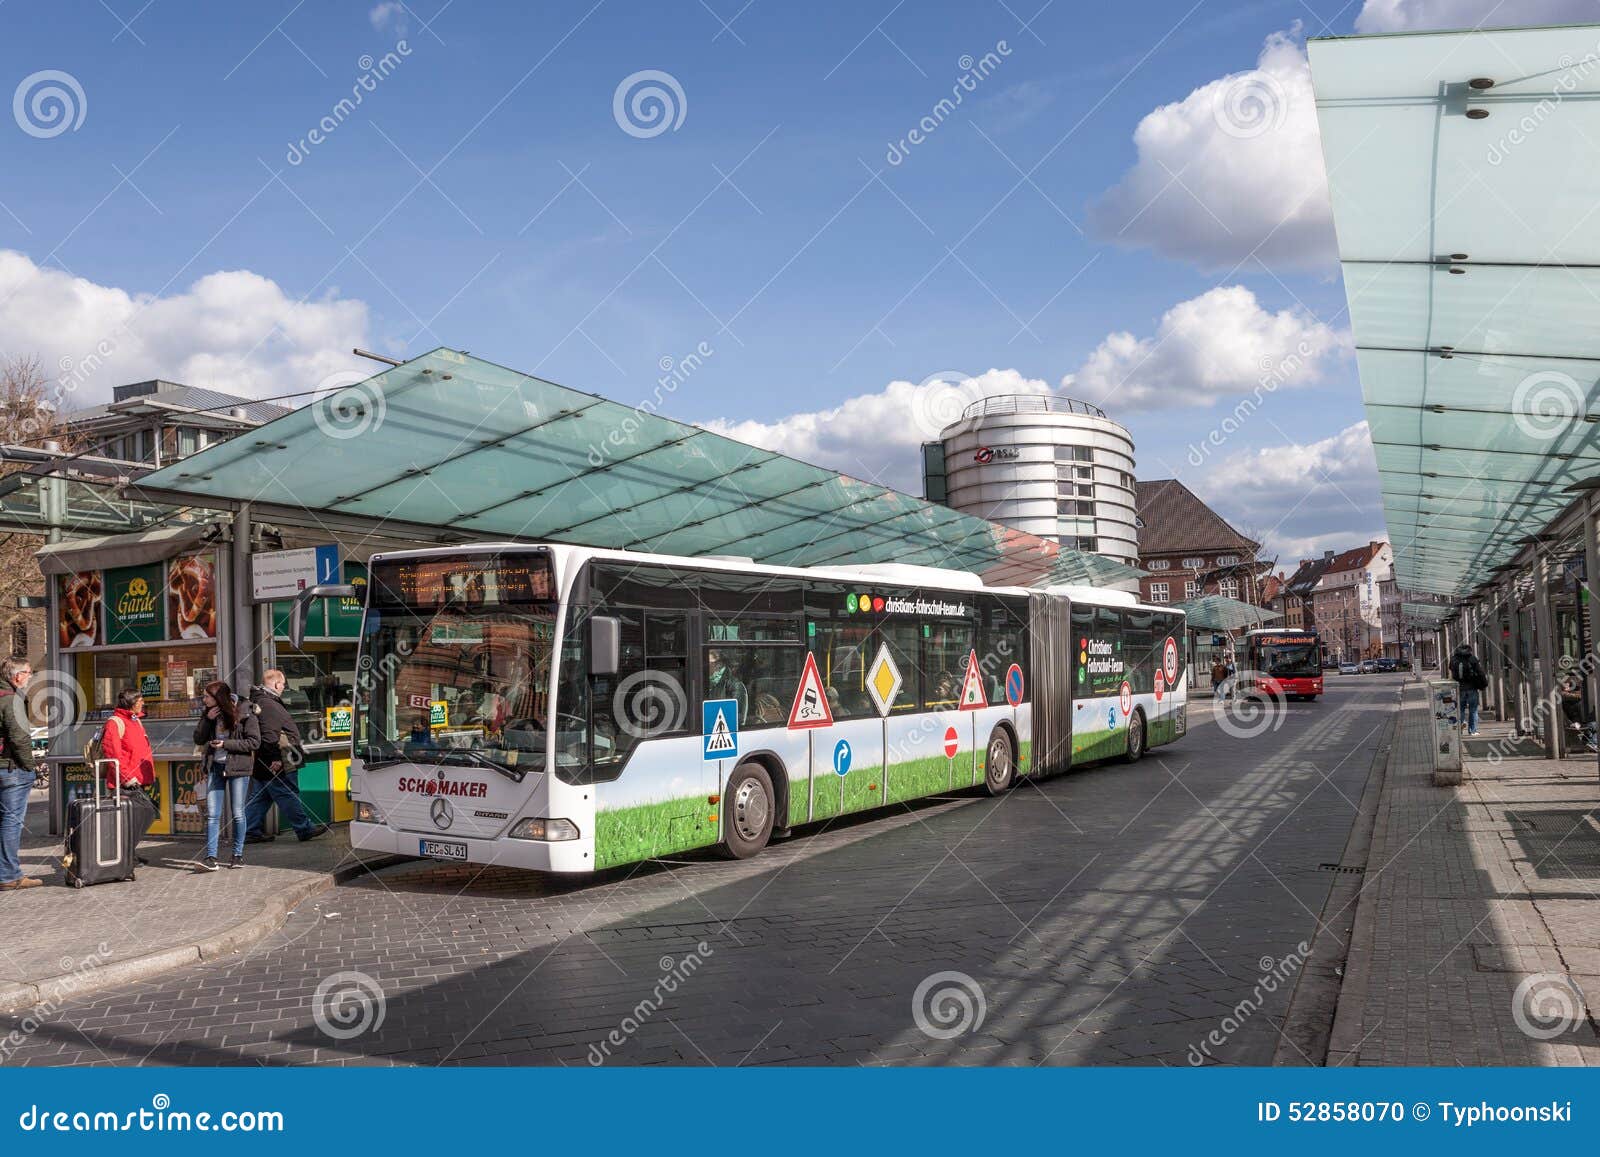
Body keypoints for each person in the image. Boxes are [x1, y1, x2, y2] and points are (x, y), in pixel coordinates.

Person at [244, 669, 329, 845]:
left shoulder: (262, 701)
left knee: (261, 797)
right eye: (283, 684)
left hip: (266, 761)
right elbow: (269, 735)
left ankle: (250, 830)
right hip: (280, 759)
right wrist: (275, 759)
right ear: (276, 684)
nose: (283, 687)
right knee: (287, 794)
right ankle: (304, 829)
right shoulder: (268, 704)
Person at [193, 679, 260, 871]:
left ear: (217, 697)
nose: (203, 700)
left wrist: (225, 745)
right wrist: (207, 719)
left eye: (206, 696)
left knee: (238, 813)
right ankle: (211, 858)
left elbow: (254, 742)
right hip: (215, 767)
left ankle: (237, 855)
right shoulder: (209, 714)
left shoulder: (245, 711)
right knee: (213, 814)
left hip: (238, 767)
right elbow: (198, 738)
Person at [98, 687, 160, 866]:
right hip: (127, 781)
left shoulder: (135, 720)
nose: (143, 703)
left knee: (142, 815)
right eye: (140, 701)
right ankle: (125, 854)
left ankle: (128, 852)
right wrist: (125, 777)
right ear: (131, 703)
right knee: (135, 817)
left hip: (140, 778)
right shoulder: (115, 722)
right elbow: (113, 753)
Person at [0, 659, 39, 890]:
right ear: (17, 677)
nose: (30, 677)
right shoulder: (10, 699)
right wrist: (29, 767)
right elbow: (20, 738)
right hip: (11, 769)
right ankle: (9, 875)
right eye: (28, 673)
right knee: (11, 823)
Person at [1448, 642, 1487, 737]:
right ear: (1469, 650)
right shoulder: (1472, 659)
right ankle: (1472, 731)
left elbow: (1450, 669)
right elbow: (1480, 673)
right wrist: (1484, 684)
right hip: (1472, 688)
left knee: (1460, 709)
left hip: (1459, 688)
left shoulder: (1453, 659)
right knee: (1473, 710)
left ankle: (1460, 728)